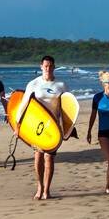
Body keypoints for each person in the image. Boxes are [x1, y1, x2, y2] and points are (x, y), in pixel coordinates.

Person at [24, 55, 69, 200]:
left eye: (50, 66)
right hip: (36, 128)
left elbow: (67, 109)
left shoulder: (61, 85)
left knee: (49, 158)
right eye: (45, 66)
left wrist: (68, 128)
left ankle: (47, 190)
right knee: (38, 157)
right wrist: (18, 126)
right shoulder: (33, 84)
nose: (48, 68)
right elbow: (24, 106)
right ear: (41, 67)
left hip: (53, 128)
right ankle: (39, 187)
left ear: (54, 67)